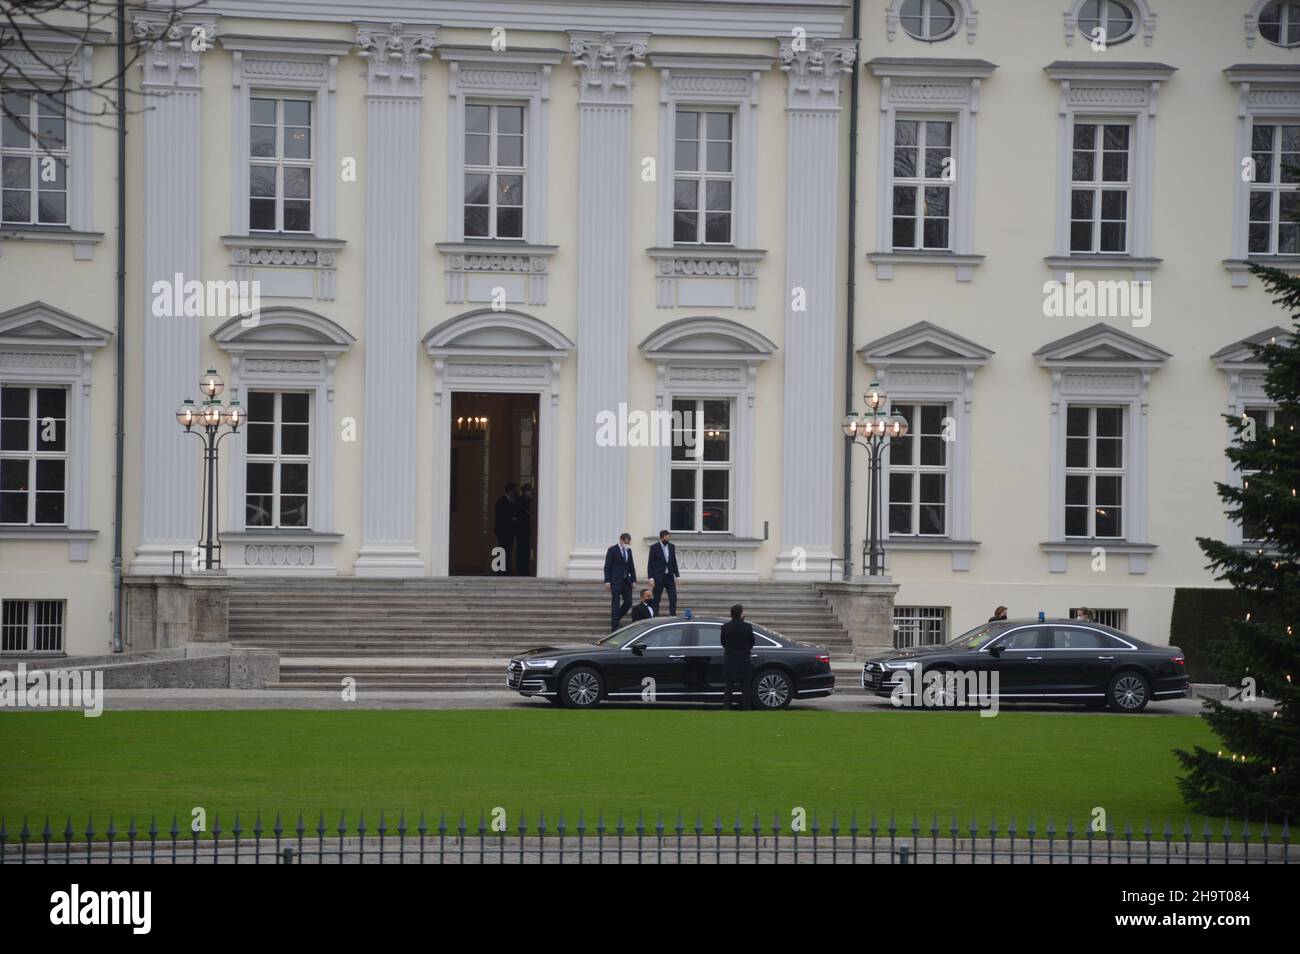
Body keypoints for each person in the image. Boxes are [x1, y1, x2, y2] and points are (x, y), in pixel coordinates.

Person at [720, 603, 755, 710]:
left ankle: (727, 706)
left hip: (730, 659)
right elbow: (752, 642)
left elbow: (723, 642)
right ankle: (745, 707)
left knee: (729, 685)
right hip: (744, 659)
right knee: (745, 685)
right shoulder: (747, 627)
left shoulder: (725, 627)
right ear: (741, 614)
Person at [603, 532, 637, 631]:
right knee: (615, 603)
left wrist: (634, 580)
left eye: (629, 542)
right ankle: (614, 626)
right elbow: (607, 566)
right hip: (616, 581)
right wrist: (607, 581)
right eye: (627, 542)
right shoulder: (612, 550)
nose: (628, 544)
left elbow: (631, 566)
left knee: (628, 602)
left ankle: (616, 619)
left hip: (627, 582)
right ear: (622, 540)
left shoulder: (629, 551)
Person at [646, 528, 680, 616]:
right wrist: (650, 578)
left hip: (669, 576)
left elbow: (674, 561)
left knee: (673, 598)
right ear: (661, 538)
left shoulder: (671, 546)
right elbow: (650, 563)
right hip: (658, 577)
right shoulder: (654, 547)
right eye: (666, 538)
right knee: (656, 599)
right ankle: (655, 616)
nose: (668, 540)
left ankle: (672, 615)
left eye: (669, 538)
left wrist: (677, 576)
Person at [493, 483, 517, 575]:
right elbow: (501, 515)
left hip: (509, 530)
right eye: (514, 491)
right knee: (503, 549)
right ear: (510, 491)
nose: (515, 493)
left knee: (508, 549)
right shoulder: (502, 501)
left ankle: (505, 568)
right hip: (503, 530)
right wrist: (512, 518)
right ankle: (501, 569)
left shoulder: (510, 501)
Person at [513, 483, 533, 576]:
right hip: (521, 530)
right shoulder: (519, 501)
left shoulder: (531, 500)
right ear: (524, 491)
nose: (530, 492)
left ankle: (526, 570)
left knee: (527, 551)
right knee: (521, 550)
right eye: (528, 490)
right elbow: (517, 515)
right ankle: (521, 570)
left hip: (529, 531)